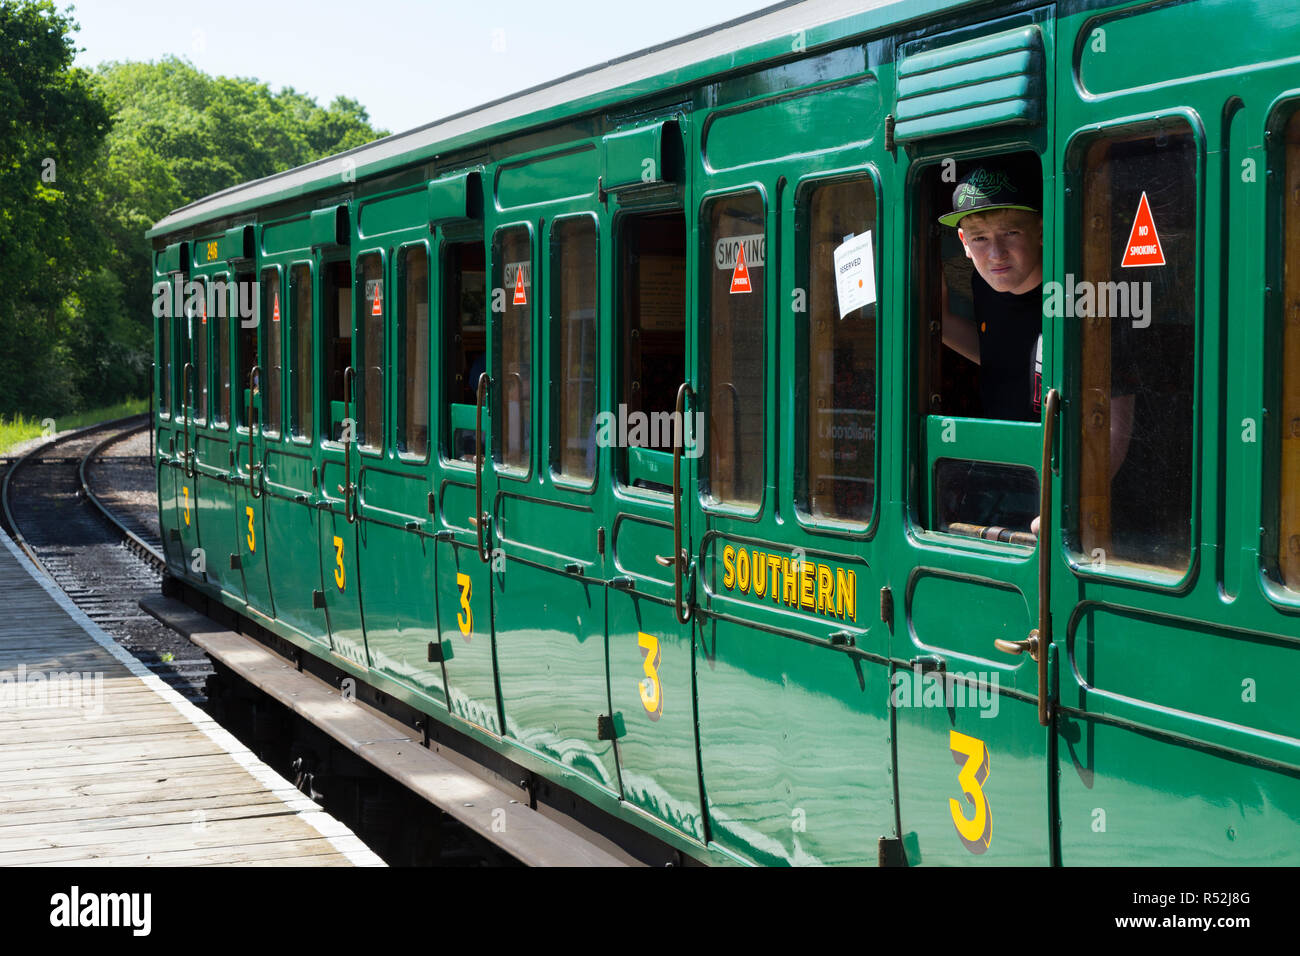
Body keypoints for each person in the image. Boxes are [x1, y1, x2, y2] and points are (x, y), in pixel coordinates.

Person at [937, 164, 1134, 535]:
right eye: (979, 239)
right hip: (1001, 484)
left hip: (1071, 496)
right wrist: (942, 322)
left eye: (1010, 233)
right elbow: (1006, 357)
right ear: (963, 243)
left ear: (1042, 230)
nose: (995, 253)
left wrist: (1073, 500)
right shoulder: (986, 286)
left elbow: (1116, 413)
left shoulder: (1084, 293)